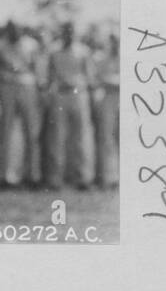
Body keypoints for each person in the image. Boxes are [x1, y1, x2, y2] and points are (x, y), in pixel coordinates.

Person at [42, 22, 96, 190]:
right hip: (60, 95)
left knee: (81, 137)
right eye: (66, 31)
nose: (69, 35)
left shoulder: (83, 51)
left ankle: (83, 177)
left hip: (78, 94)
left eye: (71, 31)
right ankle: (55, 178)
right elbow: (49, 77)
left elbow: (89, 76)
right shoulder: (54, 51)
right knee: (57, 137)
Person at [0, 22, 44, 189]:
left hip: (27, 84)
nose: (15, 32)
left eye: (17, 29)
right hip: (7, 85)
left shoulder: (31, 45)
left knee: (31, 131)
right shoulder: (0, 46)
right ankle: (5, 176)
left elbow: (38, 68)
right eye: (11, 29)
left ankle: (33, 175)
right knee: (6, 131)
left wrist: (40, 89)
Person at [89, 32, 120, 190]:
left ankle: (120, 177)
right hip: (108, 98)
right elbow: (96, 79)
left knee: (122, 139)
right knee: (105, 138)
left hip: (123, 99)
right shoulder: (101, 59)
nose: (115, 44)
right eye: (112, 41)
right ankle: (104, 177)